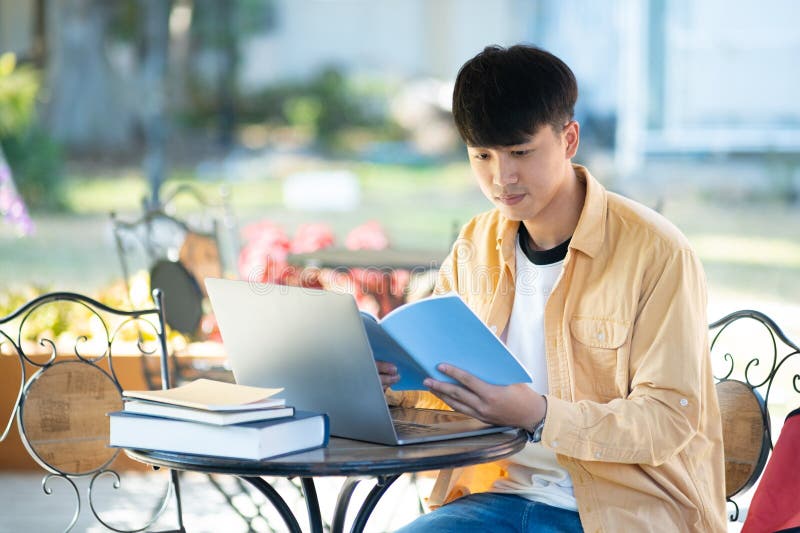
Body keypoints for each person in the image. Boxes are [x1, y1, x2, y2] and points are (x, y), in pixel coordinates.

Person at [377, 44, 726, 533]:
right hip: (493, 496)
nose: (502, 177)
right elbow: (442, 389)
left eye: (520, 152)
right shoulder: (476, 245)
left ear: (569, 139)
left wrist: (540, 415)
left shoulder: (658, 252)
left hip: (623, 514)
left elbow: (667, 420)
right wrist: (388, 383)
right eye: (482, 156)